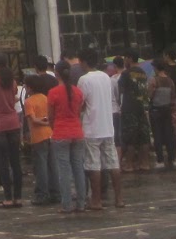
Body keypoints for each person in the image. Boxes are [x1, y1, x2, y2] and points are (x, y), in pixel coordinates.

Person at [78, 50, 122, 210]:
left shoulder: (84, 80)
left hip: (91, 126)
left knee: (93, 164)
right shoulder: (106, 77)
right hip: (107, 125)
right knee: (113, 162)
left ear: (83, 62)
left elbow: (81, 102)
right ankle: (119, 198)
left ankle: (96, 200)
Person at [47, 63, 86, 213]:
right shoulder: (77, 92)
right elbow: (78, 112)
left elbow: (51, 116)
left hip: (61, 132)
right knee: (78, 169)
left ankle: (67, 204)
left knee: (64, 171)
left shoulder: (53, 92)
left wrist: (54, 128)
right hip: (77, 131)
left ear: (56, 74)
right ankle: (81, 203)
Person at [0, 54, 23, 207]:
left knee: (3, 162)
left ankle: (8, 197)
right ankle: (18, 197)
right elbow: (13, 98)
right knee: (15, 162)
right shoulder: (12, 82)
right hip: (13, 123)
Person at [25, 74, 55, 206]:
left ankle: (42, 193)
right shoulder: (45, 98)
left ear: (30, 88)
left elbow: (33, 119)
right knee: (52, 165)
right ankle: (55, 192)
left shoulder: (29, 101)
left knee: (41, 166)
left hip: (38, 136)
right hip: (50, 134)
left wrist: (43, 122)